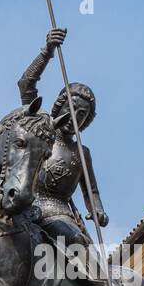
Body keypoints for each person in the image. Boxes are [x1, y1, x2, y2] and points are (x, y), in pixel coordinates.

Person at [17, 27, 109, 252]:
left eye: (82, 116)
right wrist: (47, 51)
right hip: (21, 202)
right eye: (73, 109)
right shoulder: (38, 124)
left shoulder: (81, 153)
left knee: (78, 245)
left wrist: (97, 210)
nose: (75, 118)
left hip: (58, 214)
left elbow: (92, 191)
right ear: (60, 105)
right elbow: (26, 85)